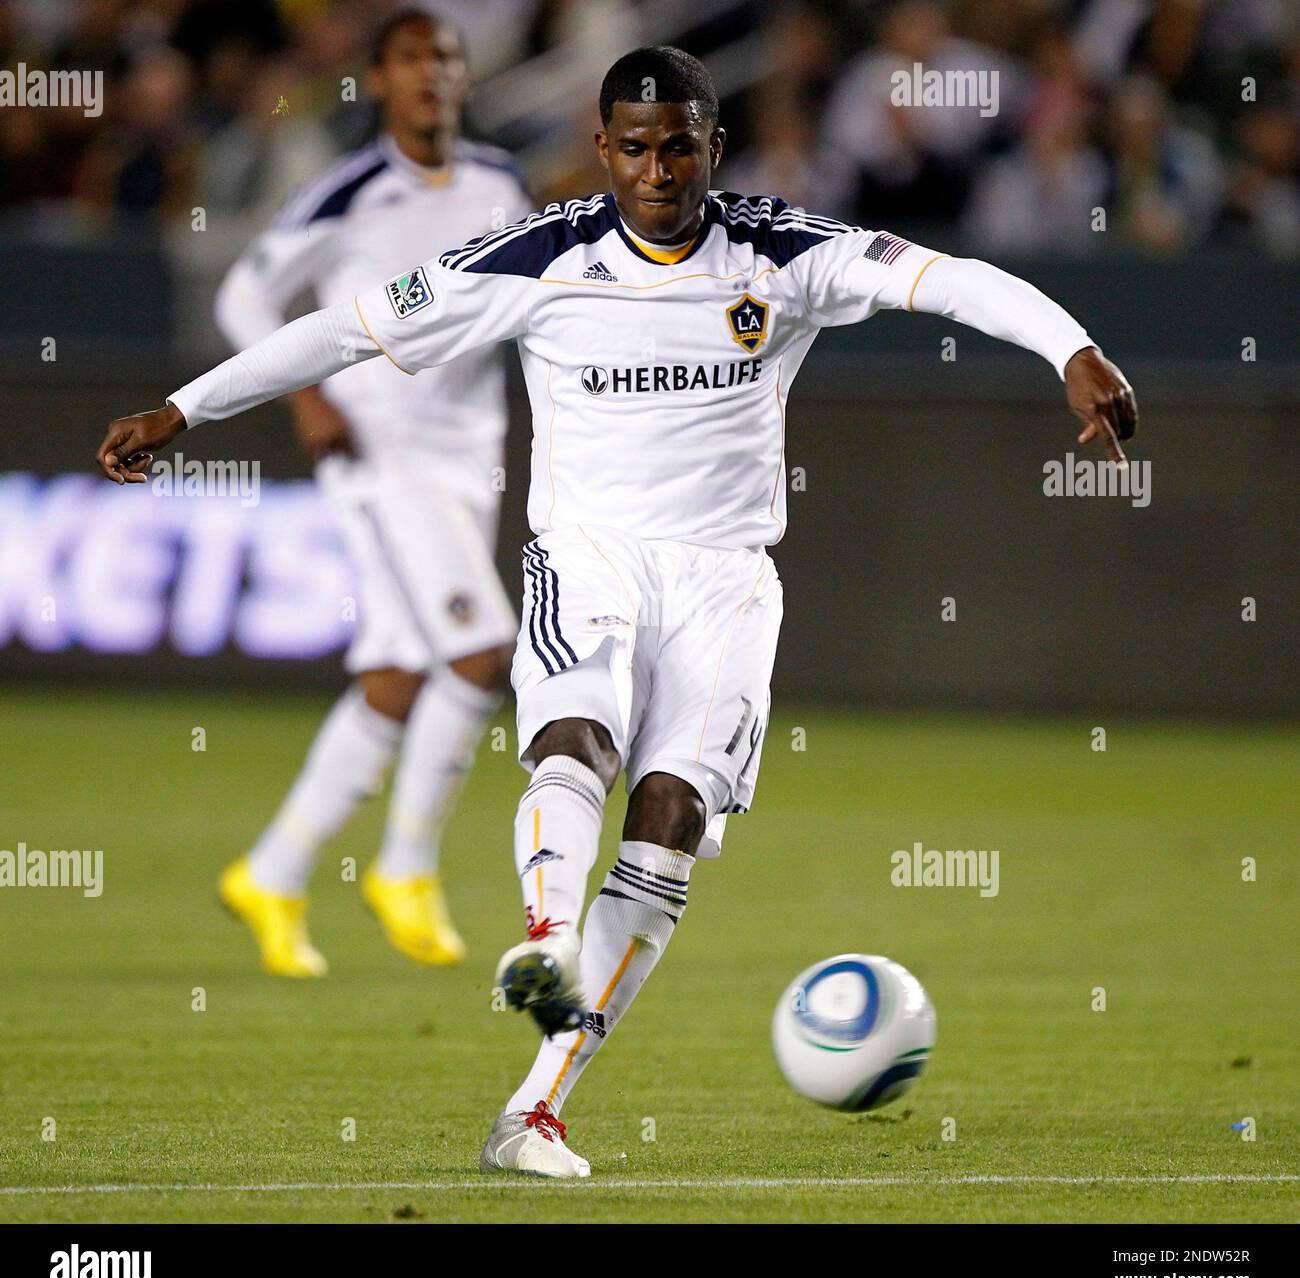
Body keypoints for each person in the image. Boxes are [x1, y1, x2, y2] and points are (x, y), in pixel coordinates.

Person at [96, 46, 1137, 1176]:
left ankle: (530, 1116)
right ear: (602, 151)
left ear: (711, 144)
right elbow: (347, 328)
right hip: (587, 557)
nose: (656, 168)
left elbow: (948, 277)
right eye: (634, 147)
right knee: (574, 743)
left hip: (729, 579)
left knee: (670, 829)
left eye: (677, 144)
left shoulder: (785, 253)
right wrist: (183, 410)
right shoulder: (534, 259)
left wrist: (1071, 348)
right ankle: (545, 940)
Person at [212, 9, 531, 976]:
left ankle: (271, 871)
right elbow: (243, 295)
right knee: (480, 650)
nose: (430, 73)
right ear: (379, 83)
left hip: (468, 449)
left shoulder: (497, 183)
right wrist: (306, 394)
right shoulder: (347, 191)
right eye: (408, 59)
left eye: (445, 57)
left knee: (396, 677)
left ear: (464, 77)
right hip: (379, 450)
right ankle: (404, 866)